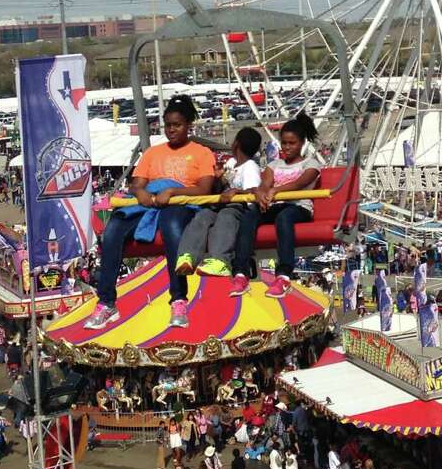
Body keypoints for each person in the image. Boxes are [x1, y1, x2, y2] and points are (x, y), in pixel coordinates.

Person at [85, 95, 217, 330]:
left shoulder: (201, 153)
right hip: (150, 202)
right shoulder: (152, 153)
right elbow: (137, 183)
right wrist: (140, 193)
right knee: (113, 230)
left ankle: (178, 299)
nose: (171, 130)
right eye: (168, 125)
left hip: (181, 203)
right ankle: (106, 302)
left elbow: (204, 188)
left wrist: (173, 190)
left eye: (177, 125)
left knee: (172, 226)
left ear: (188, 126)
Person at [233, 113, 323, 298]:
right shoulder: (274, 164)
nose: (287, 148)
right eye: (284, 143)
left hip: (299, 207)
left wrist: (276, 191)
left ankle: (284, 274)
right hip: (275, 205)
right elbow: (265, 184)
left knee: (284, 218)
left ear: (302, 143)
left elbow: (301, 183)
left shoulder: (311, 163)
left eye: (292, 143)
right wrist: (263, 194)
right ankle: (241, 272)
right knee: (250, 214)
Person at [178, 127, 263, 283]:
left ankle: (219, 259)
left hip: (239, 207)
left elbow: (254, 192)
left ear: (236, 143)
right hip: (220, 204)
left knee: (226, 217)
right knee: (203, 216)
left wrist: (235, 192)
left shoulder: (250, 166)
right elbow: (219, 187)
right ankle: (187, 256)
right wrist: (218, 179)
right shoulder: (231, 163)